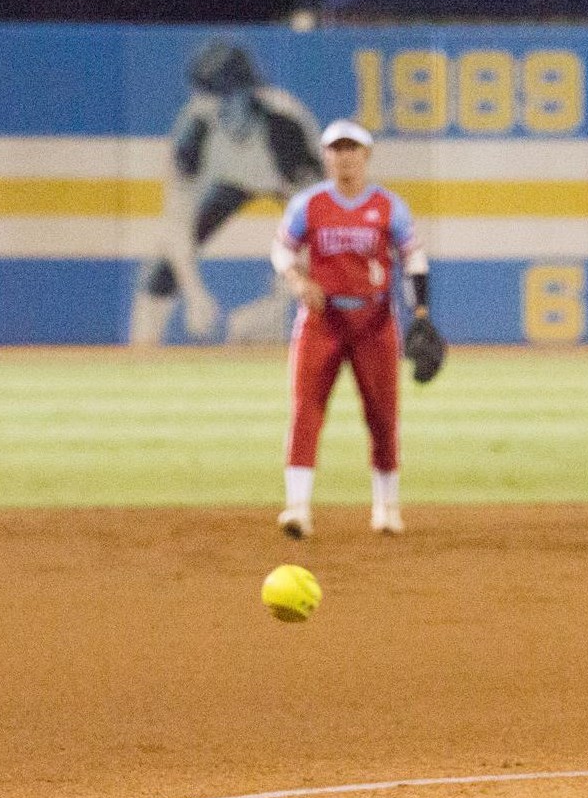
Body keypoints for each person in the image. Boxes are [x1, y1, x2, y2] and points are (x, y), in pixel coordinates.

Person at [272, 118, 431, 537]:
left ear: (367, 155)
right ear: (326, 156)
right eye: (336, 149)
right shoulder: (309, 204)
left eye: (352, 149)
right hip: (322, 321)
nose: (344, 157)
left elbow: (414, 258)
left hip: (374, 321)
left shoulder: (388, 206)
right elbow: (282, 249)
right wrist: (297, 281)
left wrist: (421, 313)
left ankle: (386, 507)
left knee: (382, 415)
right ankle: (298, 508)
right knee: (306, 410)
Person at [131, 39, 323, 346]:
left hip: (286, 187)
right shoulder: (194, 131)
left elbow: (322, 211)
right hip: (227, 185)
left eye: (221, 94)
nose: (211, 105)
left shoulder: (285, 126)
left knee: (330, 256)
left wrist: (283, 293)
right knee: (162, 269)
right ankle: (138, 355)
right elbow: (177, 224)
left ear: (247, 93)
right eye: (206, 95)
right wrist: (195, 296)